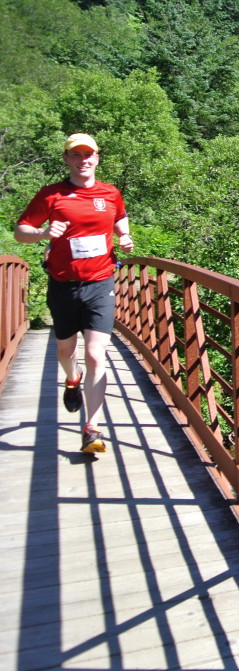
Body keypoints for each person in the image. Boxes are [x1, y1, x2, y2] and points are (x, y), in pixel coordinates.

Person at [13, 133, 133, 453]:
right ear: (67, 159)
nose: (84, 160)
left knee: (96, 354)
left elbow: (120, 217)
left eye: (89, 154)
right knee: (67, 352)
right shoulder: (52, 195)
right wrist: (41, 233)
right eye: (76, 155)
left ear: (97, 158)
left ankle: (91, 427)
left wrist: (125, 236)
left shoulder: (110, 193)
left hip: (100, 283)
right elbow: (20, 231)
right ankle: (72, 379)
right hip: (63, 285)